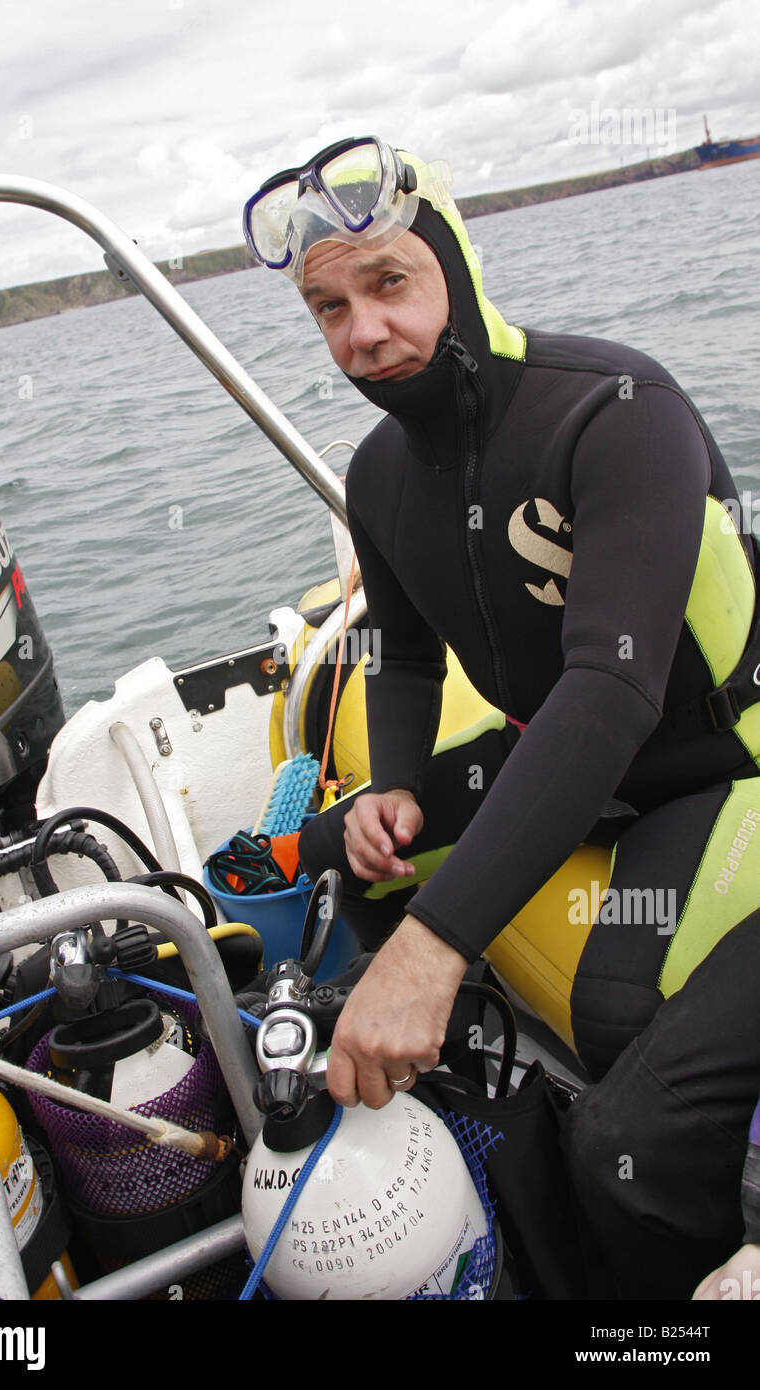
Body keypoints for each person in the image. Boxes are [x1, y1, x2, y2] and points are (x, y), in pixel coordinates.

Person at [243, 136, 760, 1298]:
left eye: (386, 284)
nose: (360, 332)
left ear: (453, 268)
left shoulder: (613, 408)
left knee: (627, 1117)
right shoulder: (376, 477)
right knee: (330, 856)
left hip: (715, 759)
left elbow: (610, 688)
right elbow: (398, 645)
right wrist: (389, 783)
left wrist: (438, 944)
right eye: (328, 307)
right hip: (569, 763)